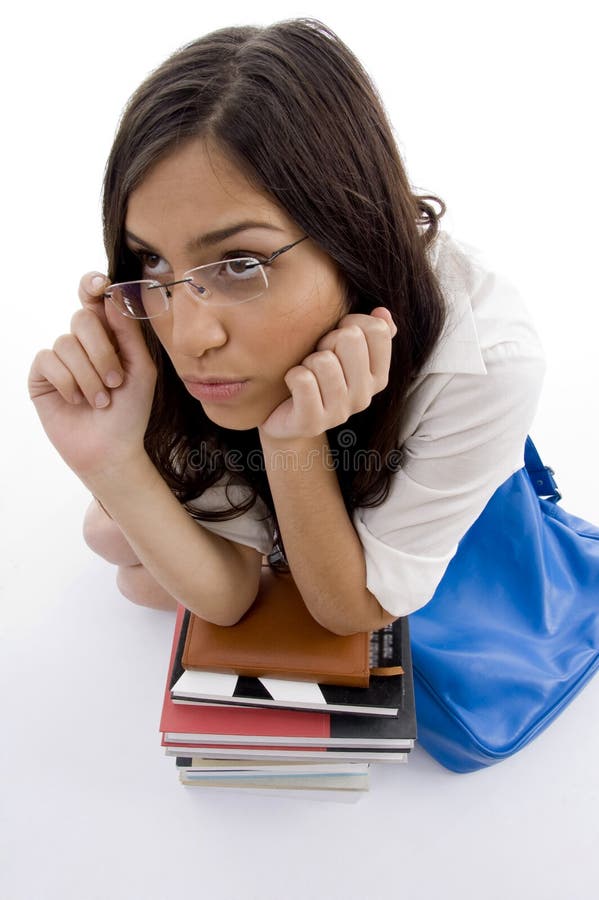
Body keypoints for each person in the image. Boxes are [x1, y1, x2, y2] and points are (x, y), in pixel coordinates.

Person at [27, 18, 546, 635]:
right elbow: (227, 599)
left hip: (391, 496)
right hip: (284, 482)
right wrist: (110, 459)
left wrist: (292, 441)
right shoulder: (155, 308)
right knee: (113, 543)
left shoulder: (487, 355)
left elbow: (352, 613)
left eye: (241, 264)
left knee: (136, 558)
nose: (191, 338)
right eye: (153, 258)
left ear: (351, 233)